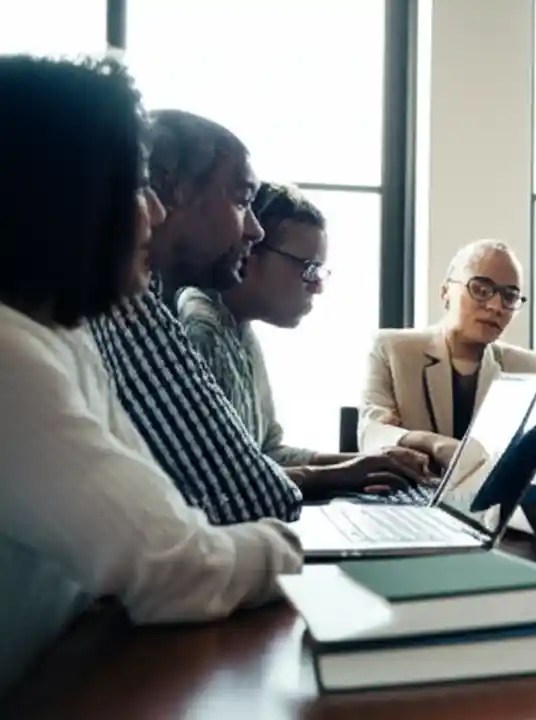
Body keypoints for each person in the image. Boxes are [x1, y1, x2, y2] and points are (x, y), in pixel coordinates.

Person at [0, 55, 300, 695]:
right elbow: (177, 567)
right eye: (135, 188)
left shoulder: (62, 334)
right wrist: (293, 552)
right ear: (60, 200)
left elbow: (168, 522)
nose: (155, 214)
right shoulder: (9, 358)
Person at [88, 111, 425, 524]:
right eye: (242, 200)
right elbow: (243, 493)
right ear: (169, 187)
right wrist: (344, 473)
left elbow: (257, 457)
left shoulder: (190, 315)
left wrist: (361, 465)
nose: (254, 231)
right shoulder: (167, 316)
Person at [178, 182, 432, 491]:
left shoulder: (240, 329)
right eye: (309, 268)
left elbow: (267, 454)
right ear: (251, 253)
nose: (317, 286)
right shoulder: (200, 332)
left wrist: (372, 462)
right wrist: (340, 475)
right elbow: (222, 485)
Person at [360, 240, 536, 472]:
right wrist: (434, 443)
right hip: (406, 494)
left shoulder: (529, 369)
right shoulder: (393, 349)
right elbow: (372, 433)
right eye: (480, 290)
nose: (496, 306)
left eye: (509, 297)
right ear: (445, 291)